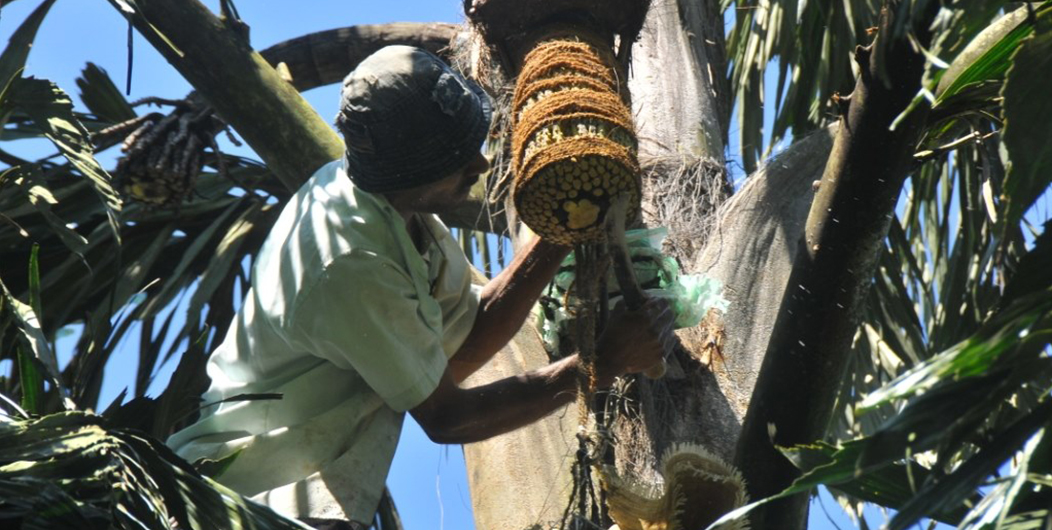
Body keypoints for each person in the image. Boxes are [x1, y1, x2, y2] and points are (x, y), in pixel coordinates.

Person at [167, 45, 673, 530]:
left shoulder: (397, 206)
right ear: (411, 170)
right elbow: (446, 418)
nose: (478, 166)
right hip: (249, 495)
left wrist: (559, 230)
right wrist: (601, 365)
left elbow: (460, 347)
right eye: (457, 158)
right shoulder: (351, 260)